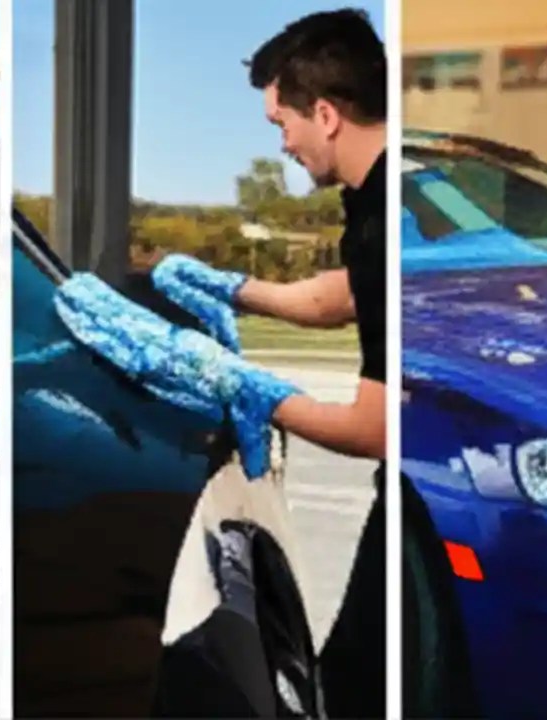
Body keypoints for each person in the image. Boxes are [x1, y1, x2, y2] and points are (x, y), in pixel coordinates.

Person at [150, 9, 388, 717]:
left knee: (358, 683)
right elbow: (344, 298)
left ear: (324, 113)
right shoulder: (378, 196)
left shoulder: (381, 223)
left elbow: (371, 430)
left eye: (280, 123)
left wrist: (251, 389)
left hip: (422, 494)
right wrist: (234, 288)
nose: (283, 144)